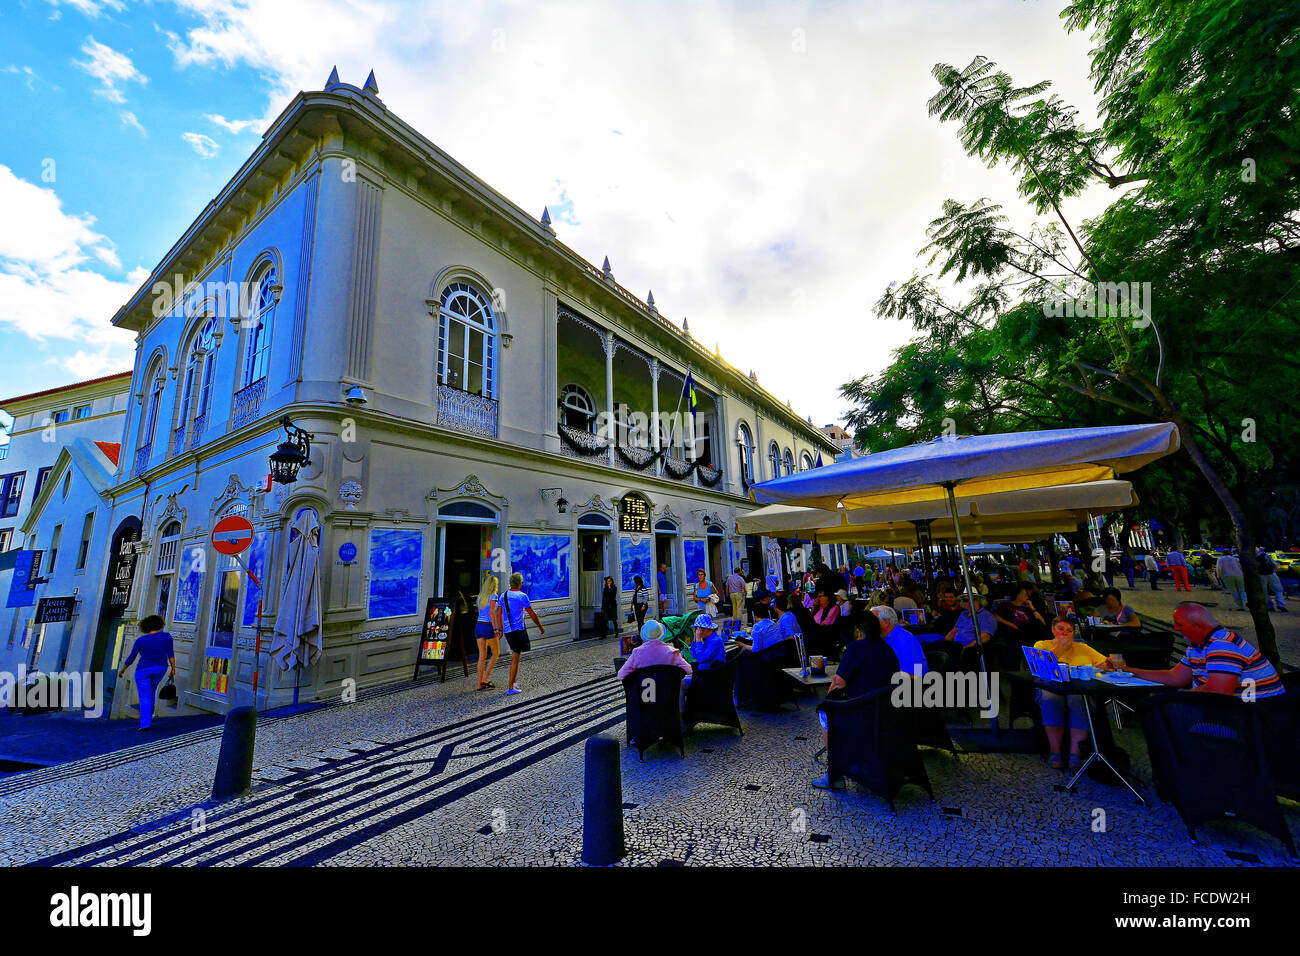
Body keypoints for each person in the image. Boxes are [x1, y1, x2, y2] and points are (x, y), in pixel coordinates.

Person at [813, 609, 901, 790]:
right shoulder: (889, 650)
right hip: (889, 714)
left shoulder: (855, 648)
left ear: (859, 632)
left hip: (862, 713)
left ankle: (834, 774)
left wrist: (829, 698)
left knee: (824, 712)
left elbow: (838, 683)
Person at [1033, 617, 1114, 770]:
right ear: (1052, 629)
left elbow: (1102, 664)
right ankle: (1055, 752)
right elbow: (1041, 667)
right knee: (1051, 700)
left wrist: (1108, 664)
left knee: (1079, 701)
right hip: (1051, 686)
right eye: (1061, 629)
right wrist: (1060, 648)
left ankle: (1075, 754)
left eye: (1069, 631)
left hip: (1079, 688)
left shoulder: (1082, 647)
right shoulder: (1042, 645)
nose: (1065, 633)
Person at [617, 619, 693, 722]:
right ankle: (681, 721)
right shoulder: (672, 652)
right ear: (661, 634)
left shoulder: (637, 653)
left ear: (645, 635)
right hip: (669, 695)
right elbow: (688, 670)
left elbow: (621, 675)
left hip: (646, 697)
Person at [116, 615, 176, 731]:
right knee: (151, 692)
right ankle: (149, 716)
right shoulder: (167, 637)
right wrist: (173, 669)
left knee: (144, 695)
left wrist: (122, 670)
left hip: (143, 670)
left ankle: (145, 724)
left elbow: (131, 658)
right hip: (160, 669)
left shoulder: (141, 641)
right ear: (160, 625)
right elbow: (171, 654)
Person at [501, 572, 544, 695]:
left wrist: (499, 629)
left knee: (516, 654)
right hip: (518, 630)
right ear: (520, 583)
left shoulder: (503, 596)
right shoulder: (522, 596)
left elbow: (499, 613)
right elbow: (531, 613)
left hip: (507, 630)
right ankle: (510, 687)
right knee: (516, 656)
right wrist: (540, 626)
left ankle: (513, 682)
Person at [871, 605, 927, 677]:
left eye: (872, 621)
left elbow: (915, 675)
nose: (869, 625)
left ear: (886, 622)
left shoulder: (904, 640)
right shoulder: (883, 638)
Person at [945, 594, 998, 669]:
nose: (969, 603)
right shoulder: (963, 613)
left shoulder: (987, 616)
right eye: (966, 600)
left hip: (970, 650)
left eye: (973, 600)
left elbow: (985, 637)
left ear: (980, 600)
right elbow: (954, 631)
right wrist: (944, 643)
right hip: (955, 646)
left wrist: (965, 648)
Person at [473, 573, 502, 691]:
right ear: (494, 585)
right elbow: (491, 613)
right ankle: (485, 678)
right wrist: (496, 628)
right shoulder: (493, 596)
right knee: (496, 653)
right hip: (487, 626)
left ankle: (480, 684)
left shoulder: (480, 597)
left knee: (482, 656)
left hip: (478, 626)